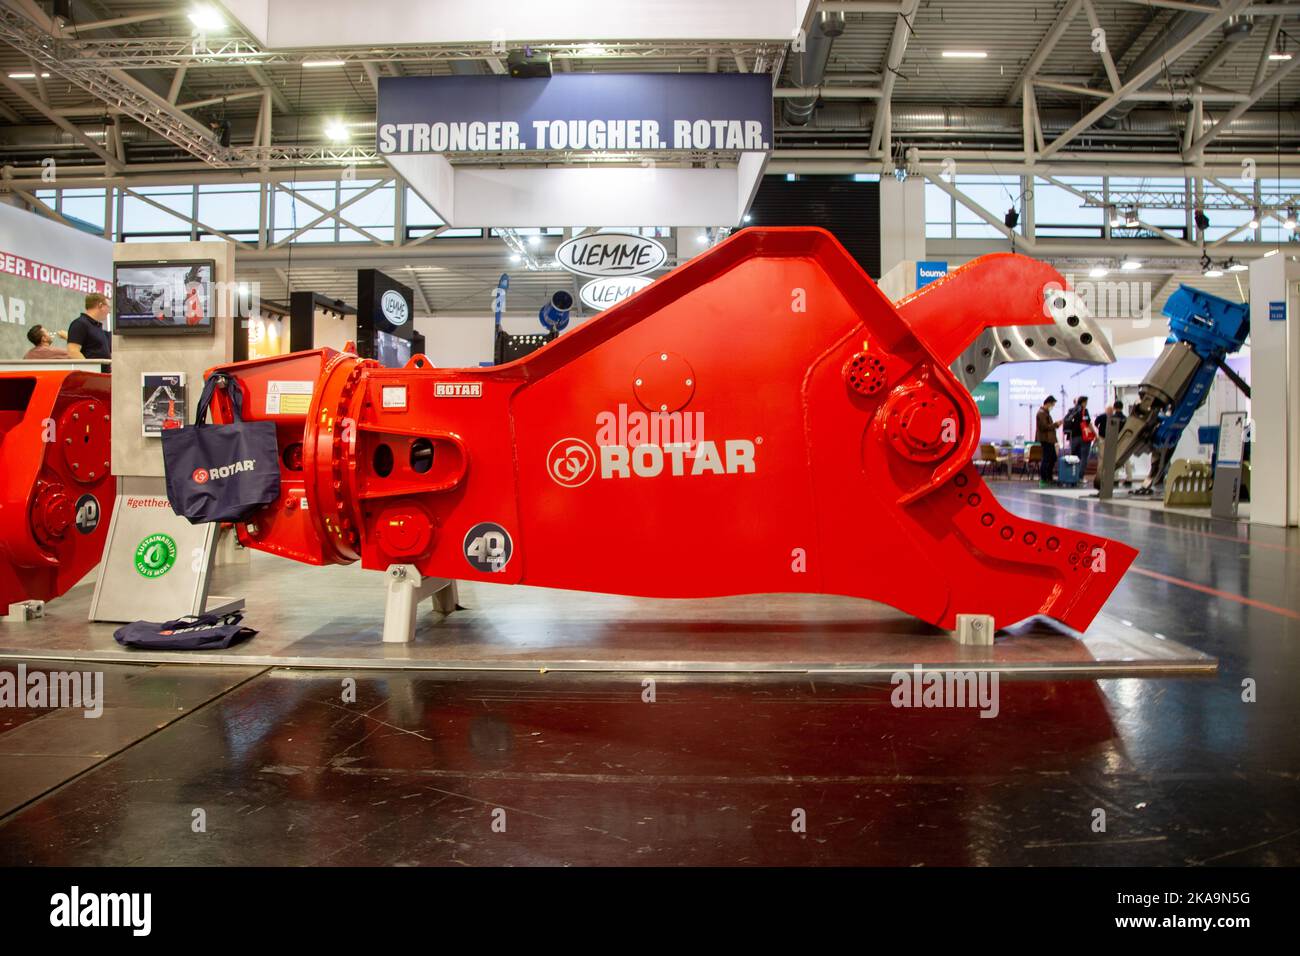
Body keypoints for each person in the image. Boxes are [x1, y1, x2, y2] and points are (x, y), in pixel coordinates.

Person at [67, 293, 112, 360]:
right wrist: (89, 368)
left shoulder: (97, 327)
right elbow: (73, 352)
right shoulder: (80, 324)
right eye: (108, 307)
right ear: (100, 305)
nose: (109, 311)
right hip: (91, 370)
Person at [1036, 395, 1061, 485]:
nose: (1053, 407)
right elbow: (1044, 427)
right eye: (1052, 405)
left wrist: (1056, 425)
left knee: (1052, 458)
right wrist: (1055, 424)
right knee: (1046, 459)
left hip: (1050, 439)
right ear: (1048, 403)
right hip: (1045, 439)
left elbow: (1049, 426)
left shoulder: (1046, 413)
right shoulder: (1041, 413)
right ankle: (1044, 479)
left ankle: (1049, 478)